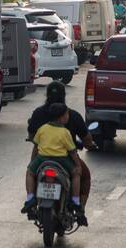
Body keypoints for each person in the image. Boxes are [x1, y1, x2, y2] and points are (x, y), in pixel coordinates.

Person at [25, 80, 93, 224]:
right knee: (84, 176)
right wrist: (81, 159)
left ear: (47, 96)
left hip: (42, 158)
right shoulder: (71, 117)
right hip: (65, 158)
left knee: (30, 171)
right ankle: (79, 207)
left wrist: (33, 160)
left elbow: (33, 140)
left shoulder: (38, 115)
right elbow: (78, 147)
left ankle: (30, 198)